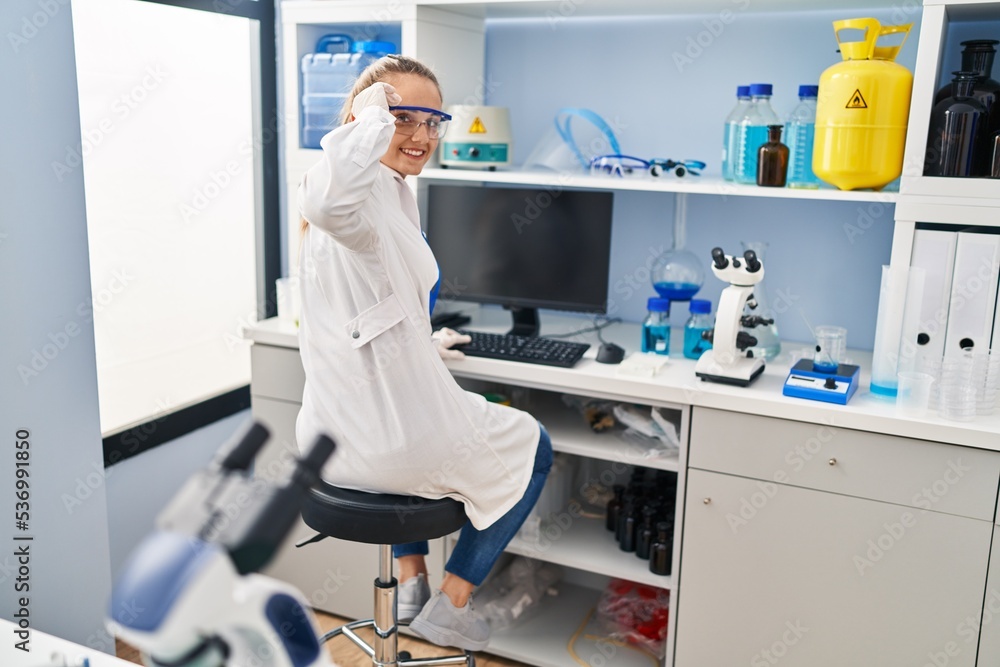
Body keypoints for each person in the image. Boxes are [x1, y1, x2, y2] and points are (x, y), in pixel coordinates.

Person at [295, 54, 553, 652]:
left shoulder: (387, 191)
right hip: (387, 445)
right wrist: (372, 123)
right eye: (402, 117)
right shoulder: (346, 193)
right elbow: (332, 206)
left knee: (451, 414)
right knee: (533, 442)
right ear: (369, 120)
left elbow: (371, 303)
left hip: (333, 439)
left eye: (433, 121)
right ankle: (450, 605)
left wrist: (420, 340)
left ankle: (411, 583)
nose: (422, 136)